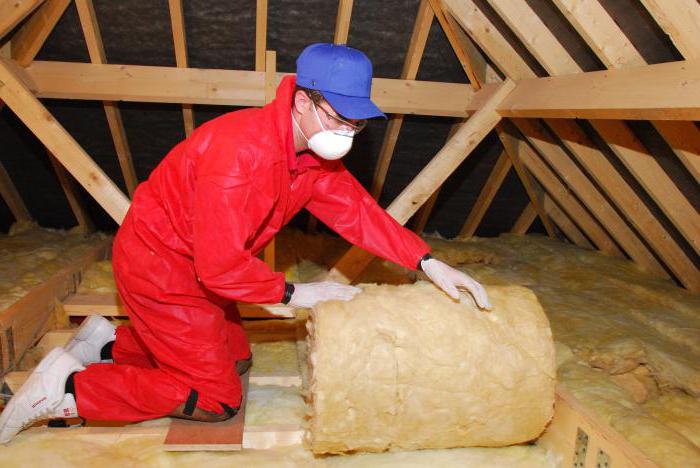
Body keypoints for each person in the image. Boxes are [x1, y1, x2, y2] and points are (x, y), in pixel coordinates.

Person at [0, 43, 491, 442]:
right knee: (217, 398)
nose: (347, 132)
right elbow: (218, 266)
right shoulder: (243, 157)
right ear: (303, 100)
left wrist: (428, 262)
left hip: (200, 266)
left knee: (237, 358)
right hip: (163, 269)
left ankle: (109, 343)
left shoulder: (309, 158)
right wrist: (294, 294)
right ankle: (69, 390)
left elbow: (358, 213)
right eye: (339, 118)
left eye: (356, 123)